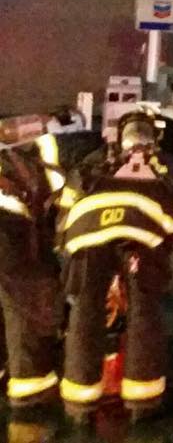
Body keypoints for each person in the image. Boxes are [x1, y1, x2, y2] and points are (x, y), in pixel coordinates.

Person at [57, 110, 173, 421]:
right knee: (145, 309)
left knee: (85, 309)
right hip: (142, 236)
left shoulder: (94, 159)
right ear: (155, 136)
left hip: (87, 234)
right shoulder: (170, 165)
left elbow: (65, 214)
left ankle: (79, 403)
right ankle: (141, 404)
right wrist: (159, 254)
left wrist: (72, 250)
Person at [0, 131, 70, 409]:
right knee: (27, 304)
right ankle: (31, 387)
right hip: (10, 227)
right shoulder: (60, 159)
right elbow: (60, 213)